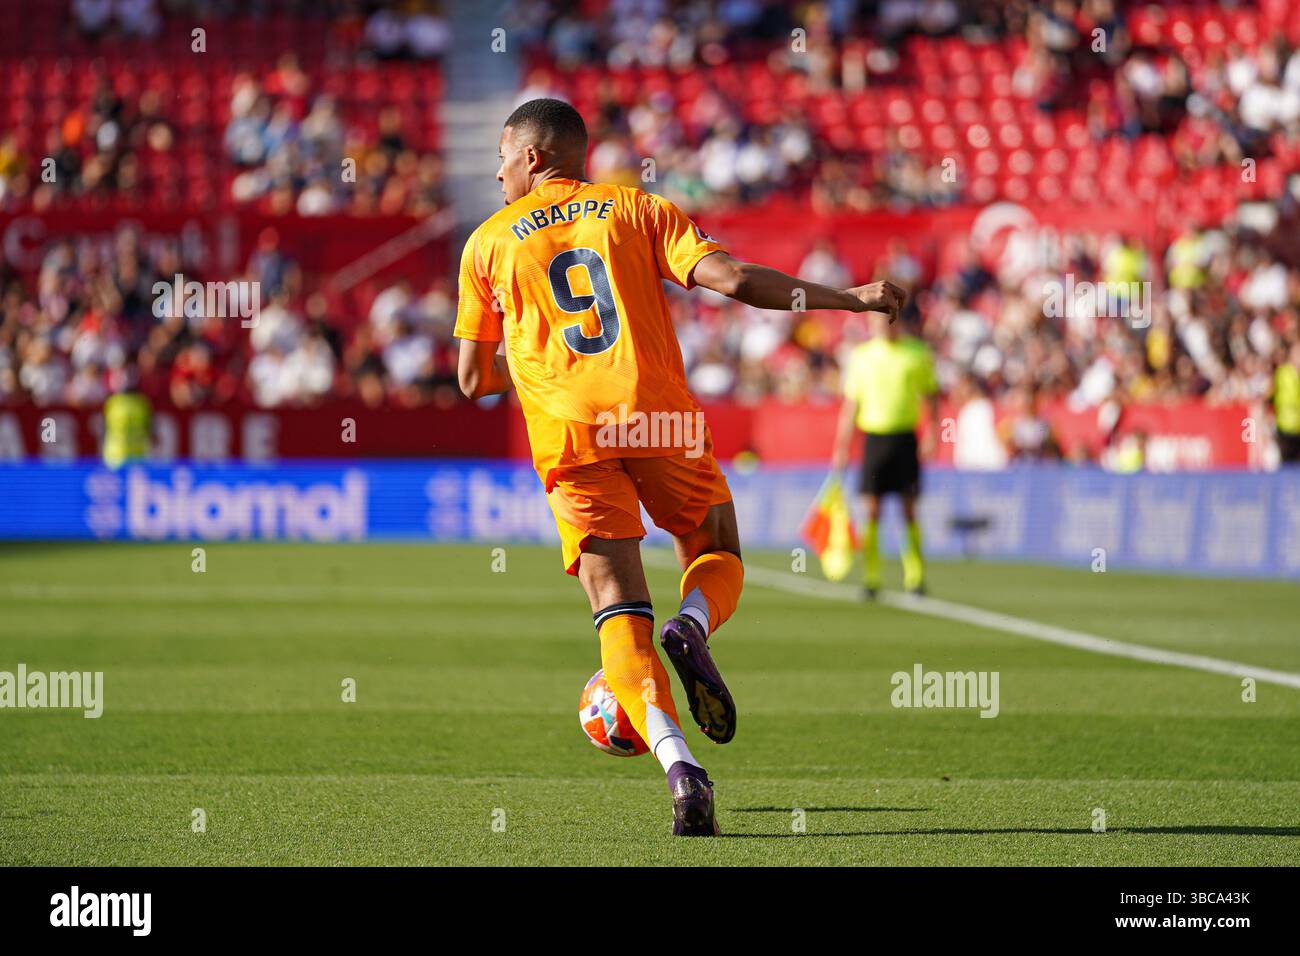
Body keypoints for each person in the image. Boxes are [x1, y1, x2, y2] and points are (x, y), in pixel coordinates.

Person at [455, 98, 904, 836]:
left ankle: (680, 767)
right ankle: (692, 623)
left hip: (571, 436)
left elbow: (473, 379)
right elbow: (731, 280)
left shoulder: (486, 244)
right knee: (717, 548)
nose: (497, 171)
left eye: (501, 156)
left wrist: (539, 350)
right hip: (657, 415)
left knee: (617, 608)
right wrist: (848, 300)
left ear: (534, 157)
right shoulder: (636, 207)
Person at [831, 311, 939, 597]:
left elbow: (931, 395)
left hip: (905, 438)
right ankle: (872, 576)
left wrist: (932, 432)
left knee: (909, 508)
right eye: (878, 321)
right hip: (874, 439)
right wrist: (842, 447)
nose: (884, 326)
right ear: (871, 324)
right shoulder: (862, 356)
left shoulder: (916, 353)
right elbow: (851, 405)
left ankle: (915, 577)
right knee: (872, 510)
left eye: (889, 320)